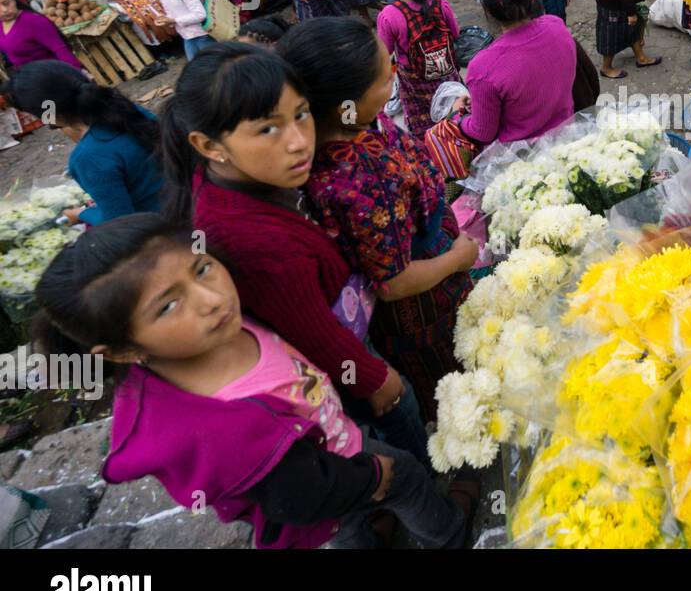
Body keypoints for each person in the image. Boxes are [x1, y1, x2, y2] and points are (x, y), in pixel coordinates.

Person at [33, 214, 469, 549]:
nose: (212, 299)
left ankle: (367, 532)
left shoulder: (221, 328)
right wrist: (373, 476)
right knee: (405, 477)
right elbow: (299, 496)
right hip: (332, 469)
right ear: (124, 351)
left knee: (348, 522)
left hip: (329, 439)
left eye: (201, 269)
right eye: (167, 307)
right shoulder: (222, 431)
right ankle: (448, 533)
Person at [161, 43, 433, 469]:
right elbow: (314, 333)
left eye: (301, 114)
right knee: (398, 422)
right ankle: (420, 491)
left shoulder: (242, 179)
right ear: (210, 145)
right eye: (268, 129)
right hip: (334, 362)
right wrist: (376, 381)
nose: (298, 143)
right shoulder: (252, 241)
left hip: (345, 329)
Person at [278, 18, 478, 423]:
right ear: (344, 101)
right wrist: (458, 258)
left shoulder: (360, 122)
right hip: (419, 309)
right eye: (383, 74)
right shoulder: (353, 180)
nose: (392, 69)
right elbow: (393, 283)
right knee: (451, 394)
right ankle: (463, 472)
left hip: (440, 266)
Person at [5, 60, 162, 224]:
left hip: (167, 229)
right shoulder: (129, 111)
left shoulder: (88, 157)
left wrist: (81, 214)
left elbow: (121, 223)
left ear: (46, 114)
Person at [454, 0, 577, 145]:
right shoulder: (557, 26)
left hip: (519, 162)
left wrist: (459, 117)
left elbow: (483, 133)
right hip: (566, 139)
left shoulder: (482, 69)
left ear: (487, 11)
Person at [376, 0, 462, 139]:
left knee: (424, 121)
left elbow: (386, 50)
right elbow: (455, 33)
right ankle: (458, 134)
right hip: (445, 71)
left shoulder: (389, 15)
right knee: (454, 108)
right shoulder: (441, 4)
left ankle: (433, 144)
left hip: (415, 81)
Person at [0, 0, 84, 72]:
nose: (4, 9)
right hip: (32, 80)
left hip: (55, 75)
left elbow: (60, 50)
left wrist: (78, 73)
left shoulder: (33, 20)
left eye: (6, 3)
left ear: (13, 0)